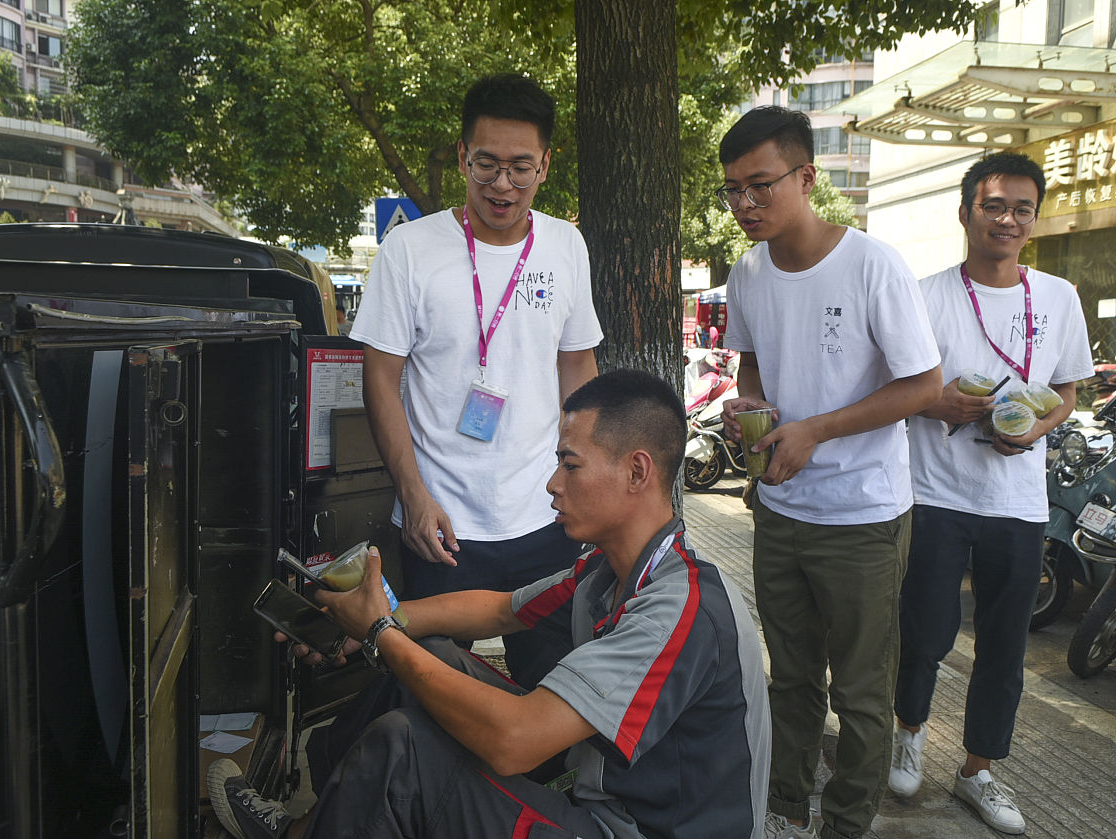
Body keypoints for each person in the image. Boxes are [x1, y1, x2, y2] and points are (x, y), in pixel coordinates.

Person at [207, 369, 771, 839]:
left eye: (570, 465)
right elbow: (501, 609)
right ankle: (328, 815)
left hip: (627, 827)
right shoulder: (609, 570)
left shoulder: (682, 606)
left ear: (637, 471)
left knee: (403, 753)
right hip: (597, 791)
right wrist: (368, 620)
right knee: (427, 656)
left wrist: (381, 631)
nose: (552, 483)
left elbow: (515, 741)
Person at [716, 106, 942, 839]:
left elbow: (924, 384)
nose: (745, 205)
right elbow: (755, 369)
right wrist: (749, 415)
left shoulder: (872, 264)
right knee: (790, 678)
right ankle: (785, 808)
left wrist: (816, 430)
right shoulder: (746, 273)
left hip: (863, 517)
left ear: (806, 176)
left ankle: (846, 822)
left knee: (863, 690)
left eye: (760, 186)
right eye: (732, 191)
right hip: (781, 509)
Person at [348, 73, 602, 688]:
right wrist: (413, 495)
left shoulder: (566, 245)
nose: (502, 184)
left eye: (520, 166)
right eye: (485, 163)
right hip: (443, 523)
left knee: (552, 686)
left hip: (546, 515)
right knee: (436, 689)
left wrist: (586, 483)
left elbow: (578, 367)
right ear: (463, 155)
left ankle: (538, 790)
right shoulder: (409, 249)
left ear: (546, 164)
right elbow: (380, 379)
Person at [888, 152, 1092, 834]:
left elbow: (1066, 393)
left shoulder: (1059, 297)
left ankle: (977, 768)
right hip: (937, 492)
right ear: (966, 211)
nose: (1007, 218)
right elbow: (898, 388)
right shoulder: (923, 293)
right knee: (925, 631)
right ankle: (909, 731)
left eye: (1021, 208)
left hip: (1018, 503)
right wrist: (937, 403)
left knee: (1005, 645)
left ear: (1034, 220)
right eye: (994, 205)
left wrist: (1038, 426)